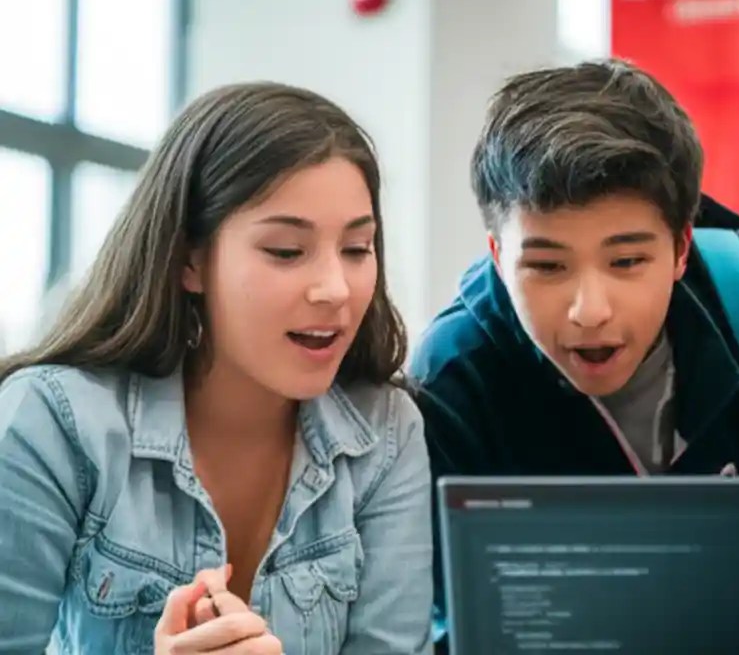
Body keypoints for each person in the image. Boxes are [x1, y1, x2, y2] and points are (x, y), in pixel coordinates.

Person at [409, 58, 739, 648]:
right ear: (497, 254)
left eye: (626, 261)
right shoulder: (451, 383)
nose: (589, 310)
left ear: (680, 247)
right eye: (547, 266)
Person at [0, 82, 434, 654]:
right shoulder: (53, 421)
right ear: (189, 260)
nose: (335, 289)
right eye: (286, 251)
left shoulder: (386, 431)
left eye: (357, 249)